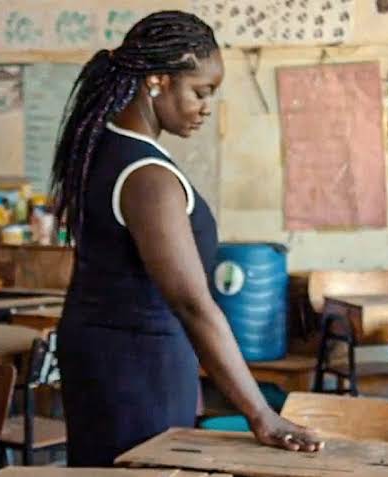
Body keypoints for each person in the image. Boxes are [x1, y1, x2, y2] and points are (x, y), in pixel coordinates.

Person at [48, 10, 322, 467]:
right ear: (157, 82)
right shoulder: (147, 176)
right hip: (136, 364)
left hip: (109, 353)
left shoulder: (107, 147)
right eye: (200, 91)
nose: (206, 106)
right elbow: (193, 304)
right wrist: (261, 414)